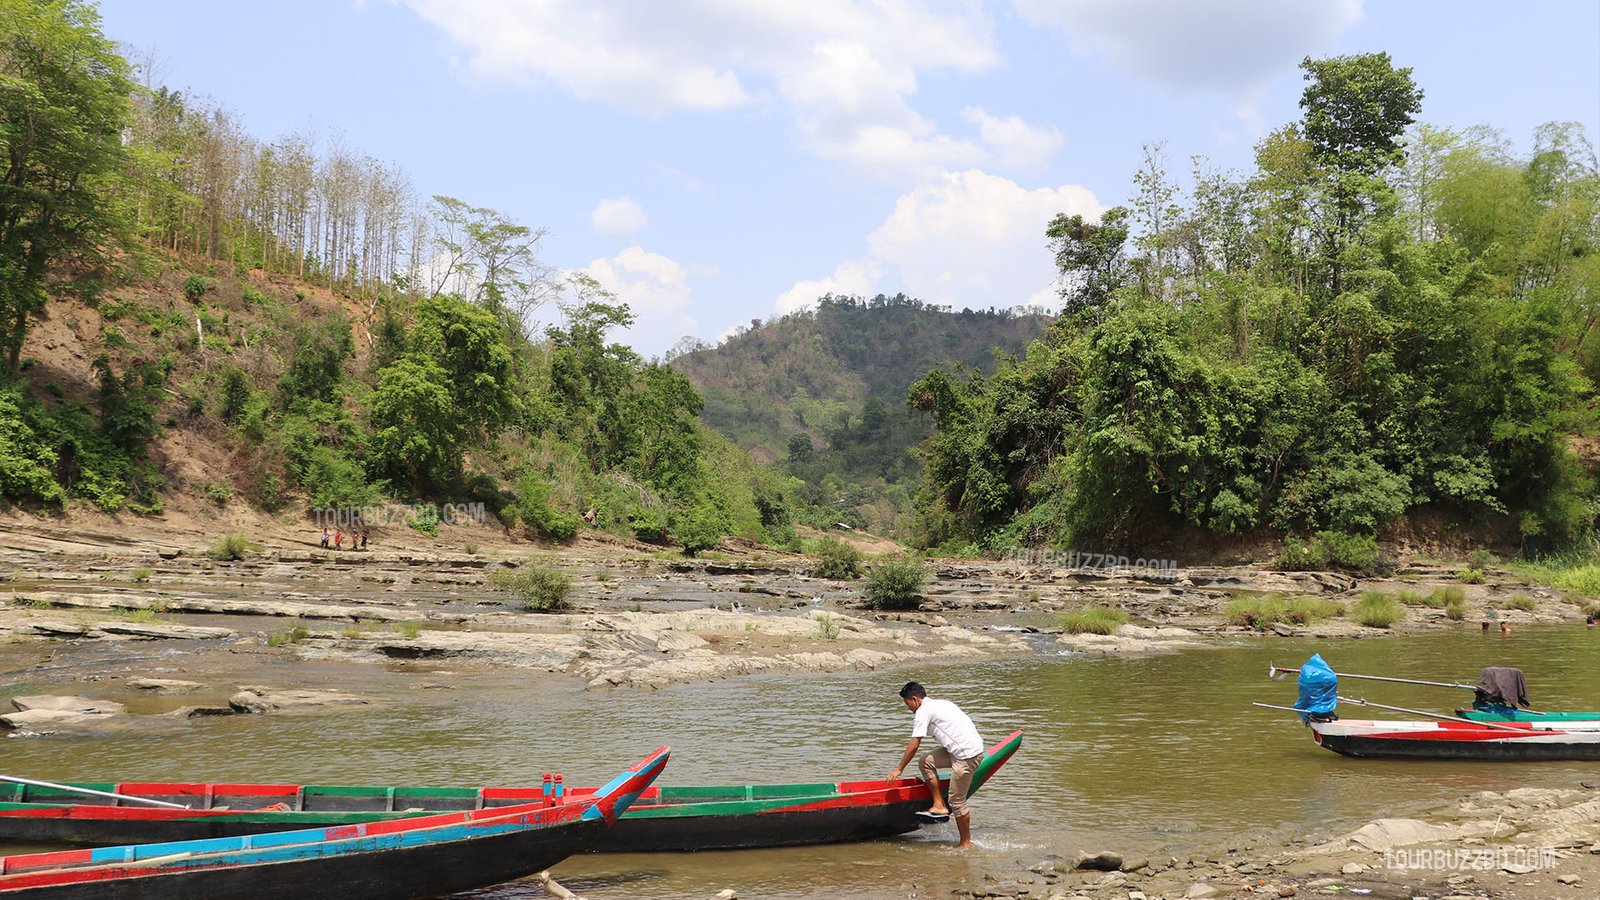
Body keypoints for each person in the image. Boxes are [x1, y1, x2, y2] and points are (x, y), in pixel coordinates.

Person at [889, 681, 984, 849]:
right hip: (964, 749)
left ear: (915, 699)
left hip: (966, 755)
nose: (908, 708)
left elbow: (914, 744)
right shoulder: (941, 703)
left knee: (957, 801)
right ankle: (939, 805)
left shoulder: (922, 711)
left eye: (907, 703)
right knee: (925, 762)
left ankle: (966, 843)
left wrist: (899, 769)